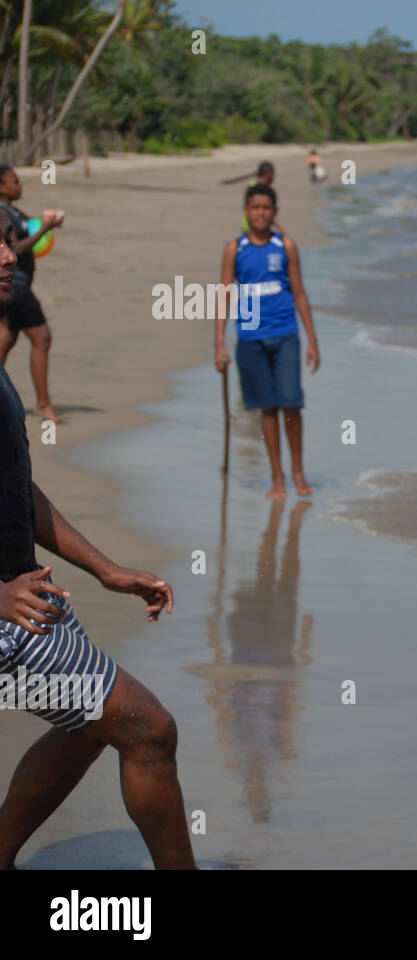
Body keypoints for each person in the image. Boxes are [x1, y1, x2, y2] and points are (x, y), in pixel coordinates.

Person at [0, 210, 194, 869]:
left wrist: (106, 570)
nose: (9, 257)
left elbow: (15, 491)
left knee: (88, 723)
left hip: (25, 594)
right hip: (8, 610)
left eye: (6, 243)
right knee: (149, 729)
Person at [215, 184, 320, 500]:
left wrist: (313, 340)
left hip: (286, 334)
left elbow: (299, 293)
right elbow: (225, 295)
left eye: (266, 208)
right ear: (246, 211)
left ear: (274, 212)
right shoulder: (235, 249)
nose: (261, 213)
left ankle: (298, 472)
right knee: (267, 409)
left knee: (291, 404)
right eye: (255, 207)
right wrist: (219, 342)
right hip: (250, 338)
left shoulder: (285, 246)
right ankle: (277, 477)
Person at [0, 165, 62, 423]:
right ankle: (44, 404)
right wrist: (45, 229)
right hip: (16, 287)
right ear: (1, 186)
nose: (20, 184)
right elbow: (19, 247)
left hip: (14, 285)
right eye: (15, 181)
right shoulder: (2, 213)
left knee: (7, 338)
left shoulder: (12, 212)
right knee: (42, 338)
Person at [241, 161, 277, 235]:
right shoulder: (263, 190)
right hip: (251, 225)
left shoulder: (251, 185)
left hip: (247, 224)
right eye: (273, 174)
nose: (273, 178)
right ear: (268, 174)